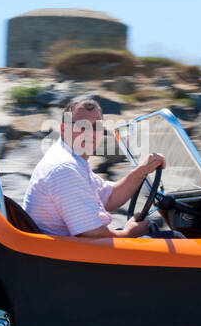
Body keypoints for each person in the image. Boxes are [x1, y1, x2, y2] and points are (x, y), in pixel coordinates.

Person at [23, 96, 176, 238]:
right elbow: (92, 234)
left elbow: (109, 198)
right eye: (82, 127)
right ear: (64, 129)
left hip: (73, 251)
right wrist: (129, 233)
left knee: (157, 232)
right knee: (176, 239)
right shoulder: (65, 168)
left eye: (96, 127)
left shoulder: (71, 159)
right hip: (71, 260)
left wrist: (141, 172)